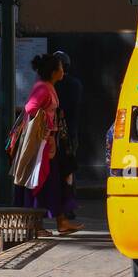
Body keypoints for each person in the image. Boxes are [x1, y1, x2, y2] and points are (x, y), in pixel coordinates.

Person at [13, 53, 82, 235]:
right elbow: (31, 109)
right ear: (53, 72)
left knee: (54, 182)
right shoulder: (43, 88)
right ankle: (36, 226)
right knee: (41, 183)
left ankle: (61, 222)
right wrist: (47, 130)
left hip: (49, 145)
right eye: (59, 67)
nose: (62, 70)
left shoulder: (48, 86)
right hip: (41, 147)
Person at [52, 49, 83, 220]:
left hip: (54, 132)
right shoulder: (76, 85)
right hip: (71, 133)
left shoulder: (53, 85)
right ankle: (69, 206)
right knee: (69, 171)